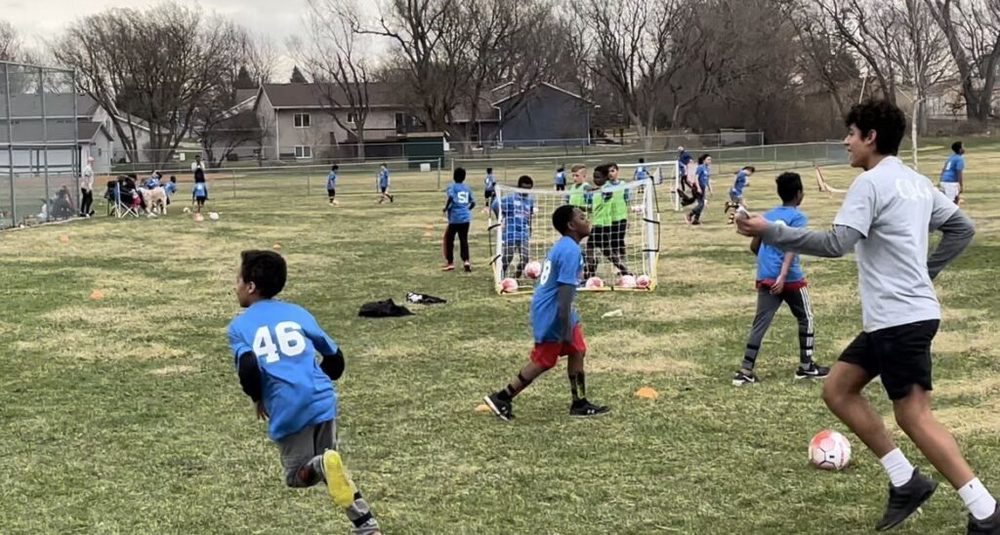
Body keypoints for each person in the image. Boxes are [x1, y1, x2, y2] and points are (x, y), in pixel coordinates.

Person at [736, 99, 997, 533]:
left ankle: (986, 510)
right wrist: (925, 273)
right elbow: (962, 228)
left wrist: (771, 231)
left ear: (870, 137)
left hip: (900, 318)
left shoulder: (871, 183)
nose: (845, 142)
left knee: (914, 416)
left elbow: (837, 243)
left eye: (850, 134)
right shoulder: (915, 182)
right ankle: (905, 481)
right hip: (894, 317)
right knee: (838, 390)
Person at [226, 250, 381, 535]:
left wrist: (257, 397)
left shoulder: (239, 326)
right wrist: (316, 381)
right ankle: (366, 524)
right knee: (333, 469)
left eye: (237, 279)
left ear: (250, 287)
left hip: (288, 405)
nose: (234, 286)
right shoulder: (297, 312)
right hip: (322, 398)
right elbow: (335, 357)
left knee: (299, 476)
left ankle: (323, 467)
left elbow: (248, 367)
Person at [483, 205, 610, 420]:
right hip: (553, 310)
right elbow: (565, 292)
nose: (587, 220)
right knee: (544, 360)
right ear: (571, 225)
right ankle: (502, 397)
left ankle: (579, 403)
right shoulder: (570, 250)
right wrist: (564, 324)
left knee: (578, 350)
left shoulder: (566, 245)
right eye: (581, 217)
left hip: (559, 308)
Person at [732, 171, 829, 387]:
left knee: (760, 322)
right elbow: (793, 245)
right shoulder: (798, 217)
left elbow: (754, 246)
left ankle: (745, 371)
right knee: (806, 317)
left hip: (766, 276)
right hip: (790, 278)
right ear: (799, 194)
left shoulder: (766, 216)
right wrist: (783, 274)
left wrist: (769, 265)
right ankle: (806, 367)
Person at [492, 175, 535, 278]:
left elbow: (529, 214)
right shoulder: (510, 198)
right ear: (518, 187)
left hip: (523, 233)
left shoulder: (530, 201)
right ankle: (501, 274)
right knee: (508, 256)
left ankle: (517, 275)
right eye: (524, 188)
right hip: (510, 232)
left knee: (525, 258)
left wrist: (530, 227)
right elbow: (495, 205)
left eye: (528, 189)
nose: (526, 191)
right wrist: (500, 218)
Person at [442, 167, 475, 272]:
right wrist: (466, 209)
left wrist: (446, 208)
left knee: (449, 239)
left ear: (454, 176)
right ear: (464, 177)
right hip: (465, 218)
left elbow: (451, 197)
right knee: (463, 239)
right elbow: (473, 202)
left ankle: (450, 262)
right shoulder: (467, 188)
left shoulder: (451, 186)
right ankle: (466, 261)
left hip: (455, 218)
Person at [686, 154, 712, 225]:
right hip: (697, 188)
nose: (710, 161)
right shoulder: (700, 167)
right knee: (701, 204)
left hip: (703, 188)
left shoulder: (707, 168)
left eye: (710, 160)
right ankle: (690, 214)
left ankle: (696, 220)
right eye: (708, 159)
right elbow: (696, 177)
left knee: (702, 204)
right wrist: (698, 187)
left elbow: (707, 180)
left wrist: (710, 189)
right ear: (704, 160)